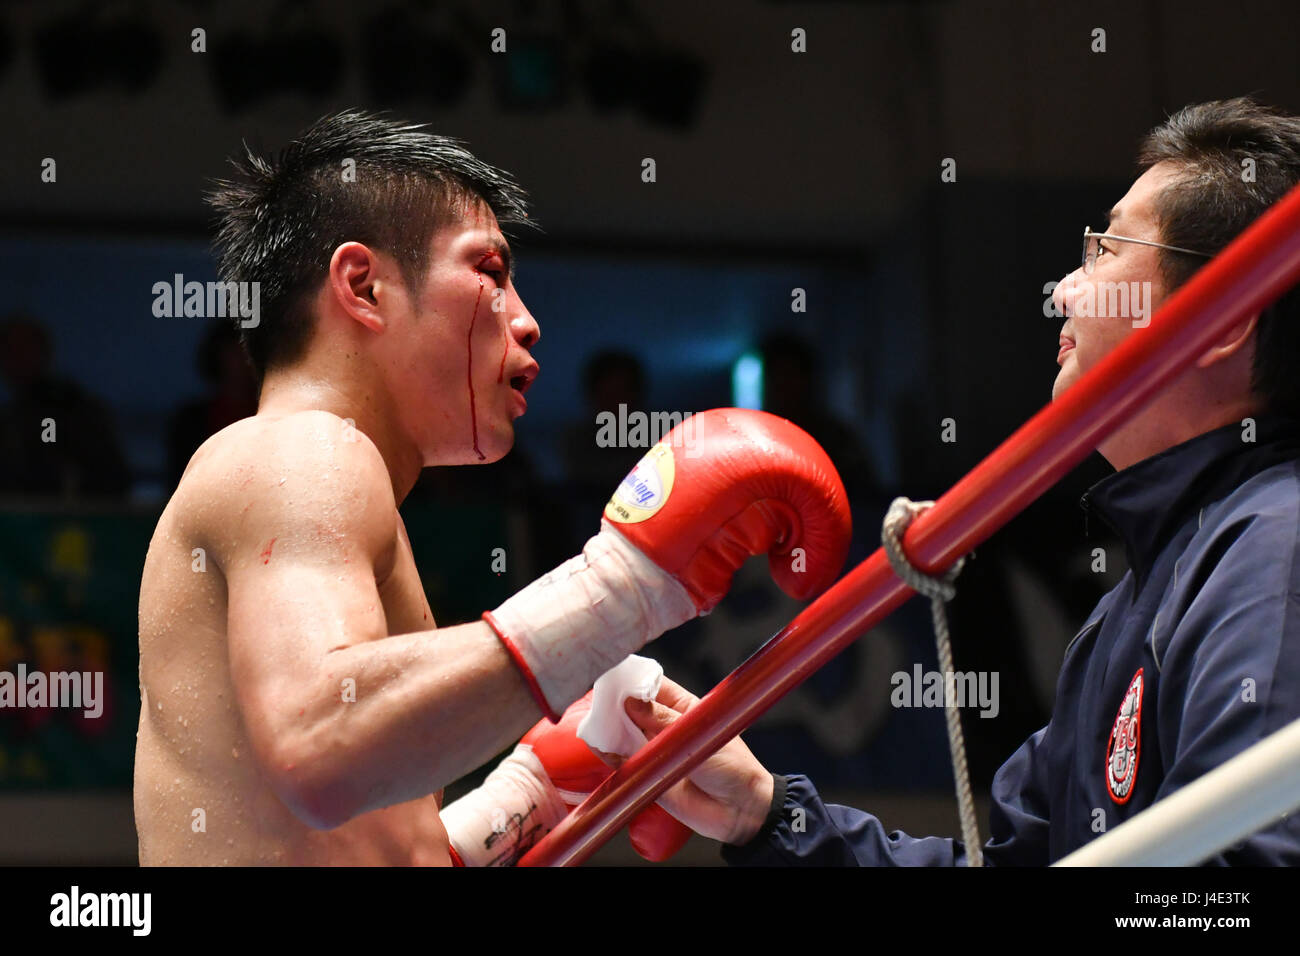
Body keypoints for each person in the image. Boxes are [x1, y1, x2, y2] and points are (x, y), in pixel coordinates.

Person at [133, 110, 850, 865]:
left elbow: (370, 840)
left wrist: (528, 792)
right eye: (491, 274)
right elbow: (319, 742)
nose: (529, 322)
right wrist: (626, 586)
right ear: (364, 286)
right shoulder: (302, 449)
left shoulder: (328, 487)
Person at [618, 97, 1300, 865]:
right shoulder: (1140, 597)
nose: (1066, 291)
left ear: (1228, 316)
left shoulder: (1276, 549)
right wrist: (771, 817)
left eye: (1103, 252)